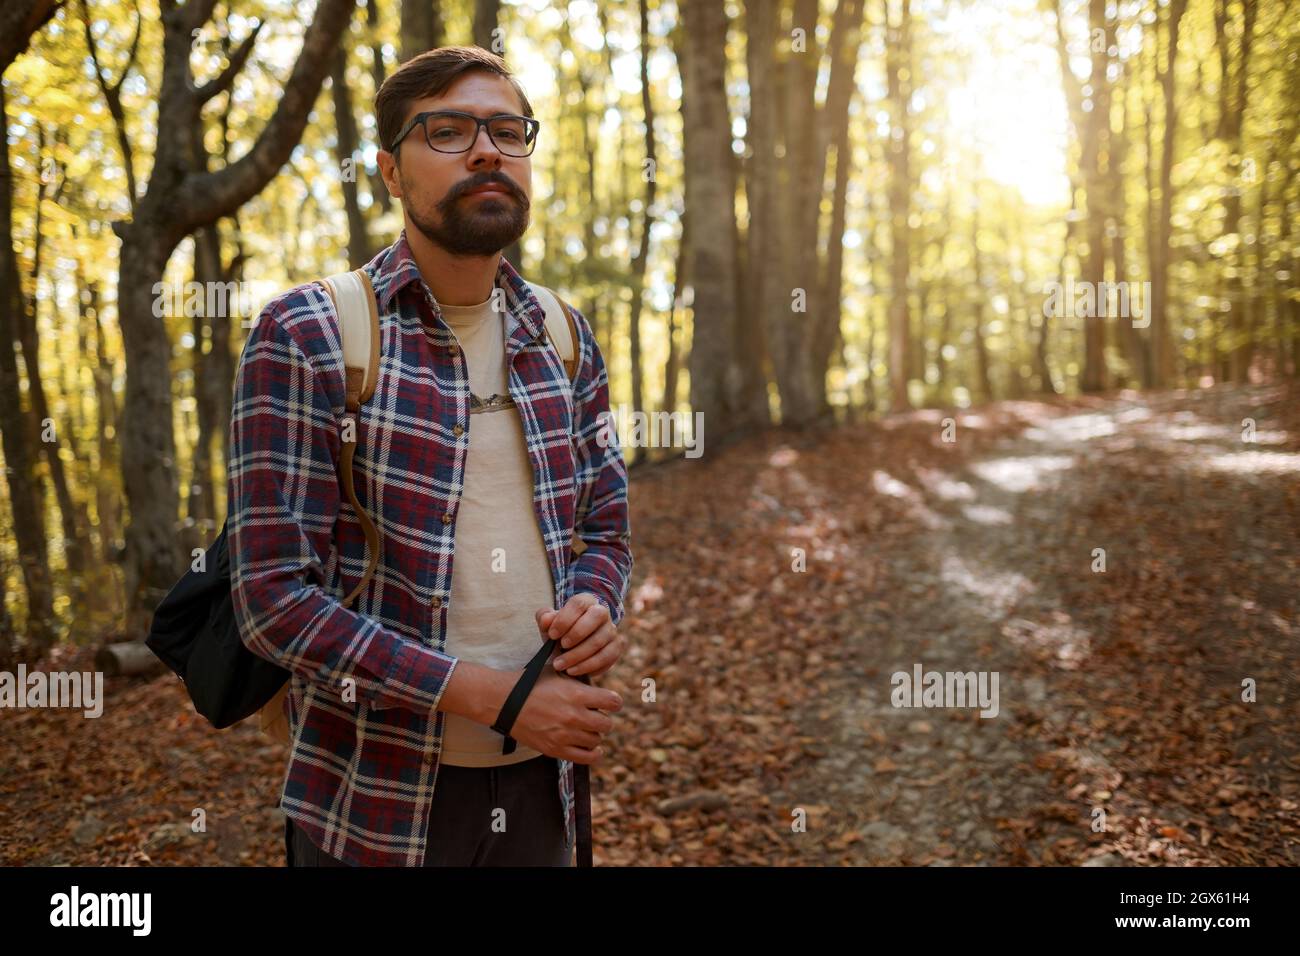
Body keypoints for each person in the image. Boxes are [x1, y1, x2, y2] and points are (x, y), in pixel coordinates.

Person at [227, 45, 633, 867]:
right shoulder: (309, 335)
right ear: (389, 170)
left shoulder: (560, 333)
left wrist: (596, 603)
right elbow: (272, 600)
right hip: (372, 800)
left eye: (507, 131)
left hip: (542, 789)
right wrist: (498, 701)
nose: (487, 149)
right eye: (446, 131)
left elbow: (607, 532)